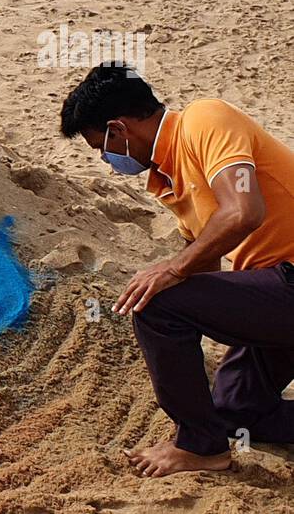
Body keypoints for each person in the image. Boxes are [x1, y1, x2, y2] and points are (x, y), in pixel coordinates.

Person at [60, 63, 294, 477]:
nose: (106, 159)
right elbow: (204, 272)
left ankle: (200, 447)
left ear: (119, 129)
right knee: (238, 414)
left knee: (156, 302)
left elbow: (244, 211)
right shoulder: (169, 176)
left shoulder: (205, 119)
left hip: (286, 281)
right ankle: (212, 433)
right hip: (275, 288)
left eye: (101, 147)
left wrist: (168, 274)